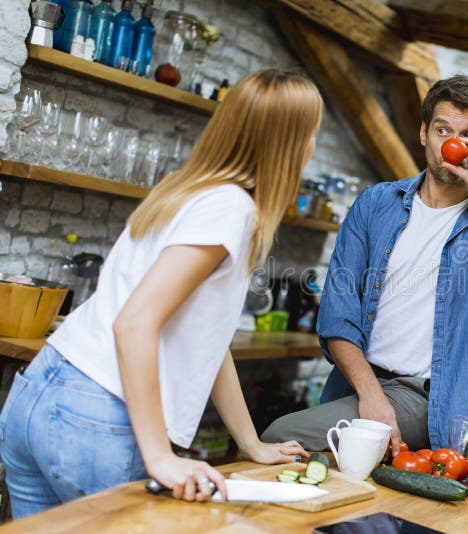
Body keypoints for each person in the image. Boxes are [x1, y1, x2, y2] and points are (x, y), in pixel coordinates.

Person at [0, 69, 323, 519]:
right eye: (310, 133)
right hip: (99, 415)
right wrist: (160, 457)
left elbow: (210, 344)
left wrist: (251, 443)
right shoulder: (231, 210)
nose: (312, 146)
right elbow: (134, 323)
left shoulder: (185, 189)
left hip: (41, 391)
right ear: (289, 144)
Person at [262, 75, 468, 455]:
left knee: (280, 435)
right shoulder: (376, 204)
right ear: (424, 133)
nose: (454, 143)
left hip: (423, 397)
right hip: (356, 384)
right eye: (443, 130)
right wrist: (372, 396)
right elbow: (338, 316)